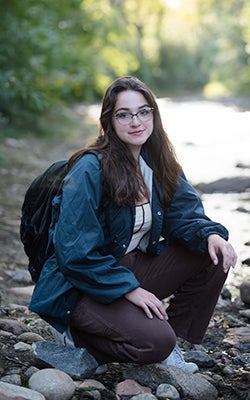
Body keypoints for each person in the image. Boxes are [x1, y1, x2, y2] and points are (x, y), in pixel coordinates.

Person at [29, 76, 237, 373]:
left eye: (143, 111)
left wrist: (212, 235)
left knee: (213, 253)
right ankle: (80, 338)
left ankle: (172, 342)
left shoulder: (159, 163)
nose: (136, 121)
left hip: (126, 269)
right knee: (154, 343)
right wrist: (129, 290)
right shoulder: (90, 168)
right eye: (124, 114)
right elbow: (75, 253)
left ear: (154, 113)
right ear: (109, 121)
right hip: (78, 286)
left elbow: (186, 214)